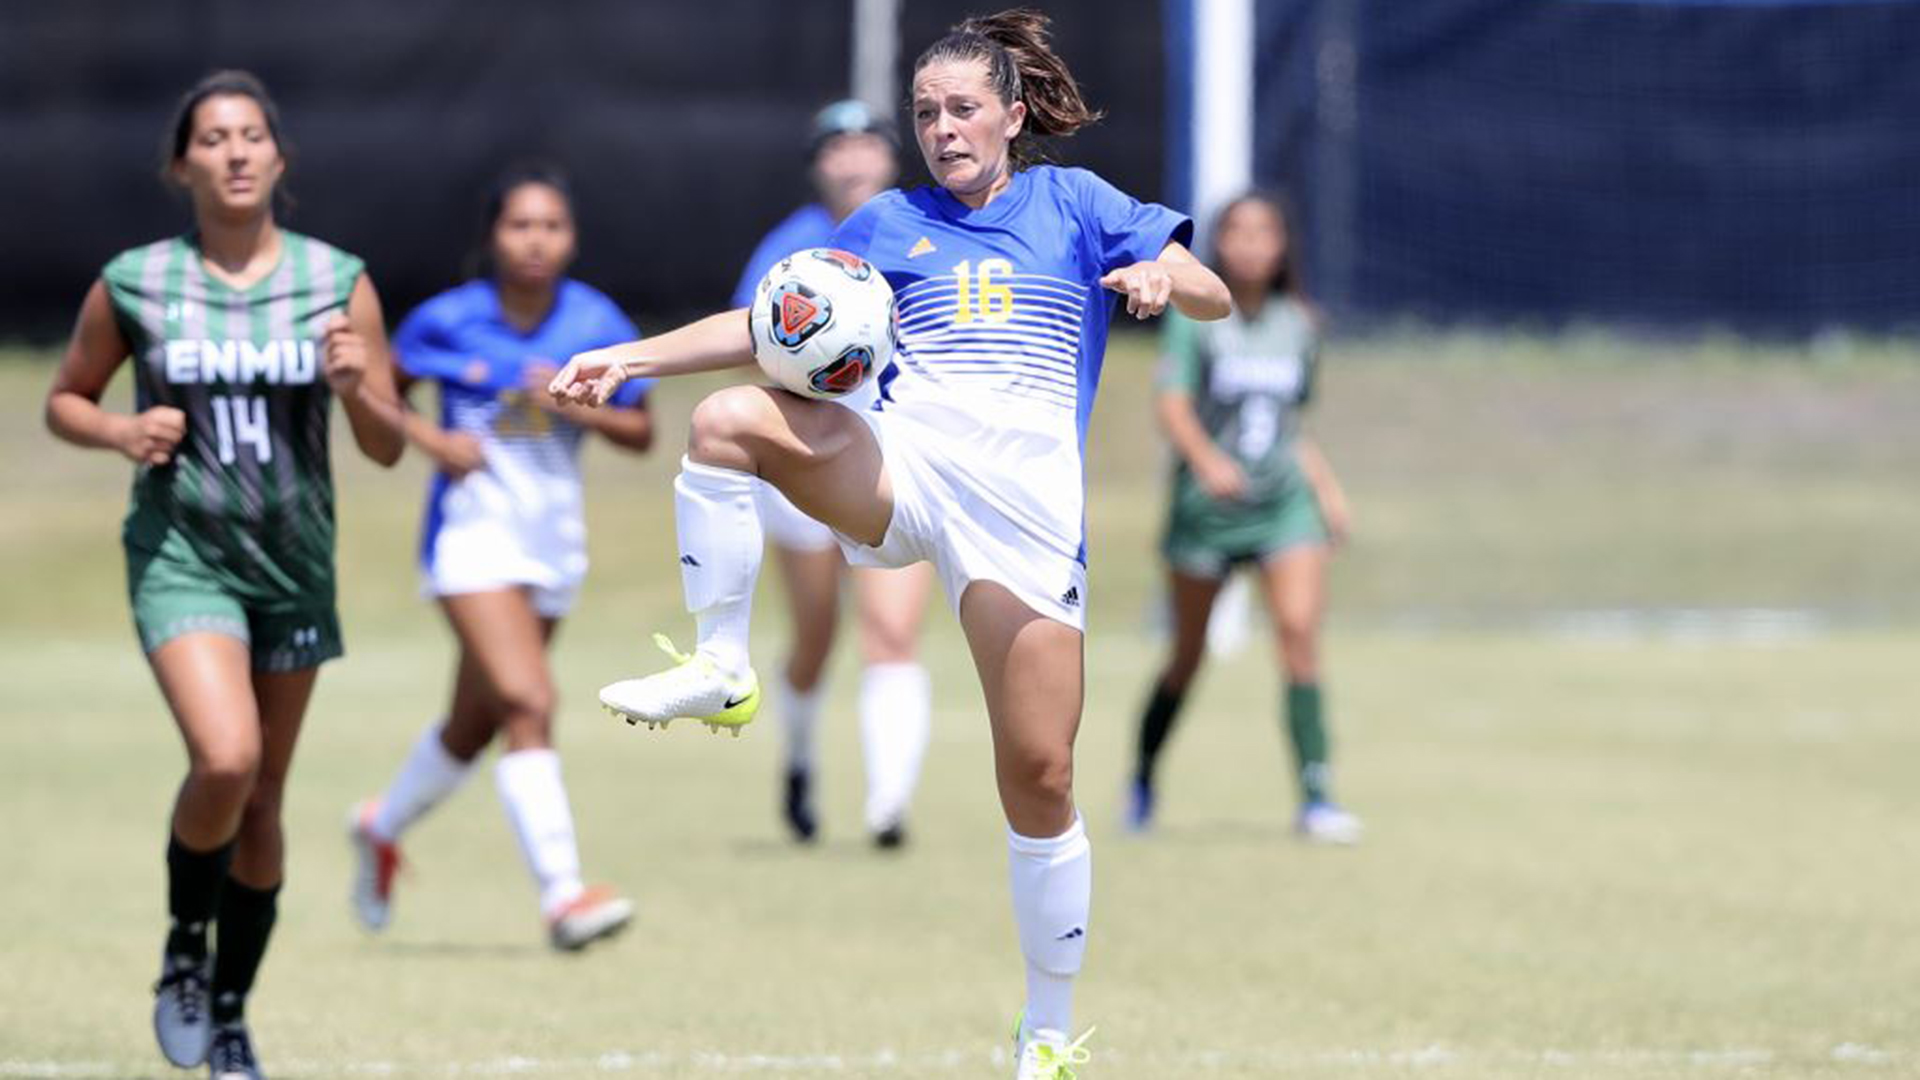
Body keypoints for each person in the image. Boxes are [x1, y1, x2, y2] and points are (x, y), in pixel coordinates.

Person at [549, 12, 1231, 1077]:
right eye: (927, 113)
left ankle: (1048, 1034)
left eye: (964, 109)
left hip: (1024, 519)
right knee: (728, 421)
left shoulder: (1077, 204)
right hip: (903, 473)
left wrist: (1159, 278)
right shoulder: (886, 223)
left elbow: (1213, 289)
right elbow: (766, 319)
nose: (944, 129)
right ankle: (723, 664)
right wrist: (629, 356)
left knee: (1041, 776)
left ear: (1012, 116)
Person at [43, 70, 405, 1080]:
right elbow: (65, 398)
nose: (236, 151)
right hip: (183, 554)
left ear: (279, 159)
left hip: (293, 562)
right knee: (226, 759)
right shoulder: (137, 279)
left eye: (253, 135)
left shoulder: (338, 281)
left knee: (265, 801)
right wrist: (119, 427)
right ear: (181, 164)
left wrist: (356, 390)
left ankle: (233, 1012)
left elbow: (383, 445)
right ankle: (182, 955)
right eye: (214, 138)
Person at [346, 165, 652, 950]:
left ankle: (381, 827)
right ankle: (564, 896)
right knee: (530, 703)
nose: (536, 240)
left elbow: (641, 432)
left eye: (551, 225)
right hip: (470, 540)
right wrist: (430, 439)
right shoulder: (447, 321)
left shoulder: (595, 319)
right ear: (492, 236)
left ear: (572, 238)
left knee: (473, 726)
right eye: (520, 225)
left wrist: (577, 402)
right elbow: (378, 393)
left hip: (552, 543)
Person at [732, 100, 937, 848]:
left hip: (894, 458)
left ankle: (888, 807)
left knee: (890, 632)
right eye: (837, 150)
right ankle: (800, 763)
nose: (852, 162)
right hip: (803, 461)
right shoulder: (787, 251)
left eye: (867, 147)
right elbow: (752, 342)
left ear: (891, 158)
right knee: (815, 636)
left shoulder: (925, 232)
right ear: (818, 165)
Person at [1126, 191, 1361, 843]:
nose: (1252, 245)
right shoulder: (1197, 314)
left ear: (1283, 245)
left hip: (1285, 506)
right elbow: (1172, 407)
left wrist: (1328, 491)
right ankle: (1142, 778)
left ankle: (1317, 797)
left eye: (1266, 232)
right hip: (1207, 513)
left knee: (1299, 638)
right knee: (1188, 654)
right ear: (1220, 244)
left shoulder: (1300, 325)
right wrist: (1207, 463)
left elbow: (1290, 428)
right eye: (1239, 232)